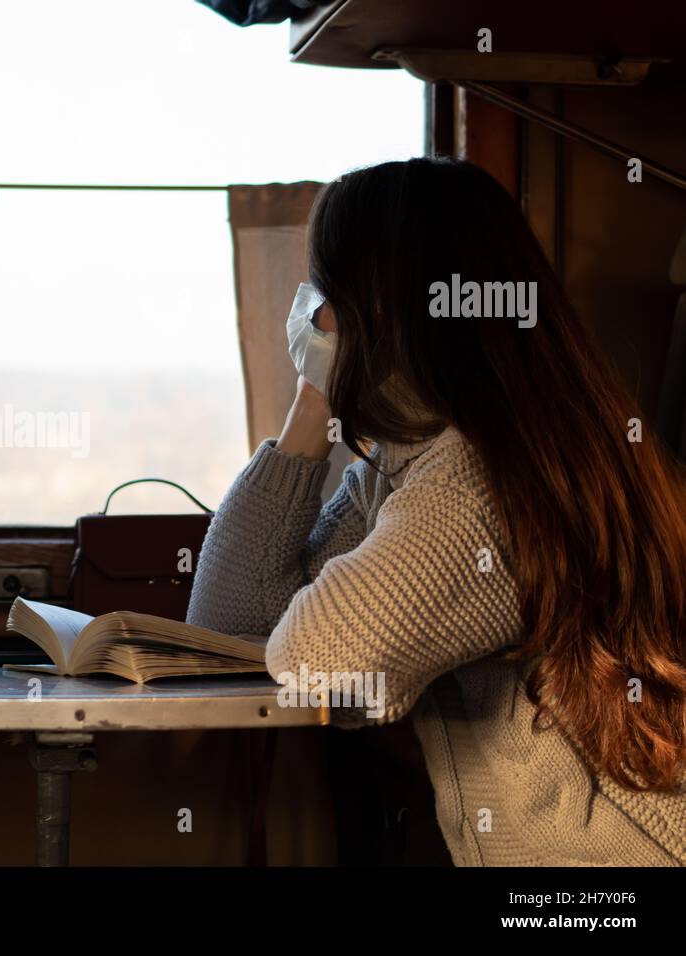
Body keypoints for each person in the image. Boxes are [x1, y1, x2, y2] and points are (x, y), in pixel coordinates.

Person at [187, 157, 686, 865]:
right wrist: (312, 404)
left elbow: (319, 660)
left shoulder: (475, 479)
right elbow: (230, 624)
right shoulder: (418, 460)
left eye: (328, 294)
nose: (312, 313)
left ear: (379, 311)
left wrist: (327, 377)